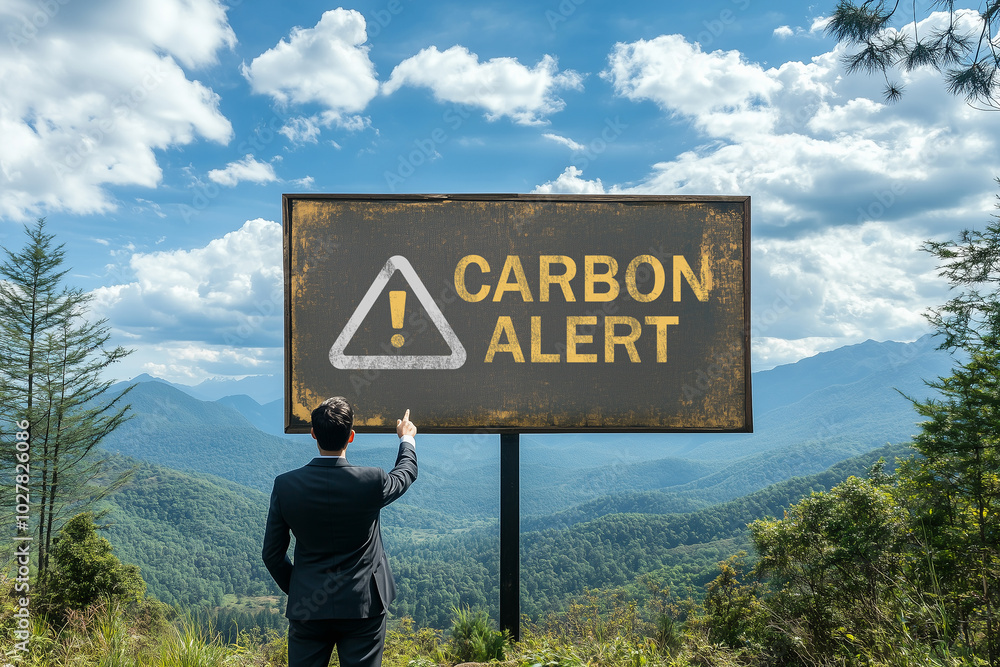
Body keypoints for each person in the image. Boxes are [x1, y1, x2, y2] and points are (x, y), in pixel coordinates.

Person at [262, 397, 418, 667]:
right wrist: (406, 439)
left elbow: (272, 555)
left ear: (313, 434)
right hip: (363, 605)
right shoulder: (372, 481)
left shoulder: (286, 485)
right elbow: (405, 473)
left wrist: (301, 587)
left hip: (307, 608)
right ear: (352, 436)